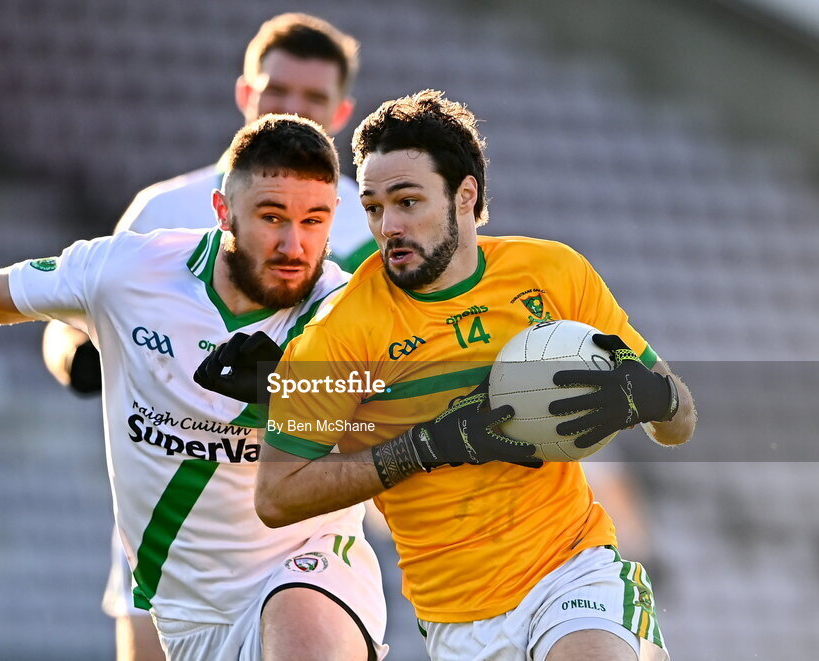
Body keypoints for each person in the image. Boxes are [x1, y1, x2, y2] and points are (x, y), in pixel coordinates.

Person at [197, 91, 696, 661]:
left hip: (575, 571)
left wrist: (653, 395)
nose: (389, 226)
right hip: (457, 621)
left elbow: (679, 422)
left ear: (466, 196)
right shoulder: (344, 333)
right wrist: (423, 448)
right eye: (374, 207)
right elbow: (277, 495)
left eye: (408, 202)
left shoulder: (554, 274)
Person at [0, 115, 387, 661]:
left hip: (308, 563)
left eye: (314, 221)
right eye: (272, 217)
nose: (295, 244)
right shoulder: (130, 270)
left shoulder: (343, 309)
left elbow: (397, 410)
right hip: (182, 607)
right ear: (224, 212)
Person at [38, 15, 377, 659]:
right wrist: (77, 360)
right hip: (169, 517)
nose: (293, 108)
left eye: (313, 99)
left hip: (290, 523)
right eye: (278, 91)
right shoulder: (163, 209)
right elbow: (68, 323)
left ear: (341, 112)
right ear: (246, 94)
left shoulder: (364, 227)